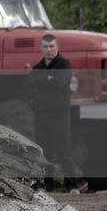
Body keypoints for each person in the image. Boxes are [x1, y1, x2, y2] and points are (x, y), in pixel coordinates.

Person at [28, 33, 79, 189]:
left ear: (57, 47)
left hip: (60, 115)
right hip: (41, 115)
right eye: (46, 46)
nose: (49, 50)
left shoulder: (64, 64)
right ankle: (46, 185)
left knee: (64, 151)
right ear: (41, 49)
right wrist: (48, 78)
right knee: (44, 152)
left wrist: (43, 81)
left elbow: (60, 82)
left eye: (52, 46)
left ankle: (72, 186)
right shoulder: (37, 67)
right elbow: (29, 84)